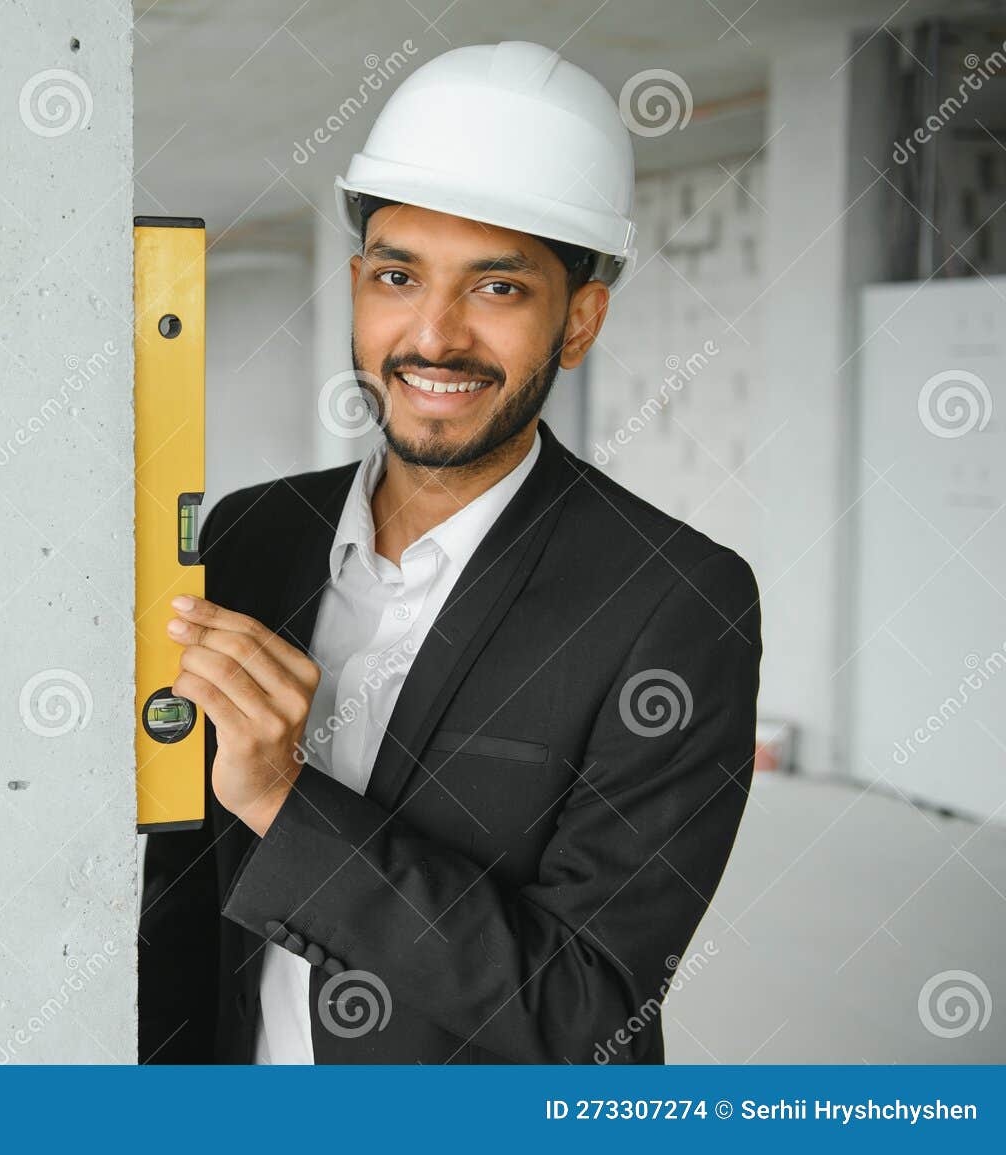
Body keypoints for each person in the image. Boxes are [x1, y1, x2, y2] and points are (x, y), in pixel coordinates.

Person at [138, 40, 762, 1064]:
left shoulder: (673, 602)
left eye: (498, 289)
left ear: (579, 321)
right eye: (397, 276)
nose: (433, 335)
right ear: (356, 287)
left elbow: (587, 1012)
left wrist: (284, 802)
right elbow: (174, 895)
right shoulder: (247, 537)